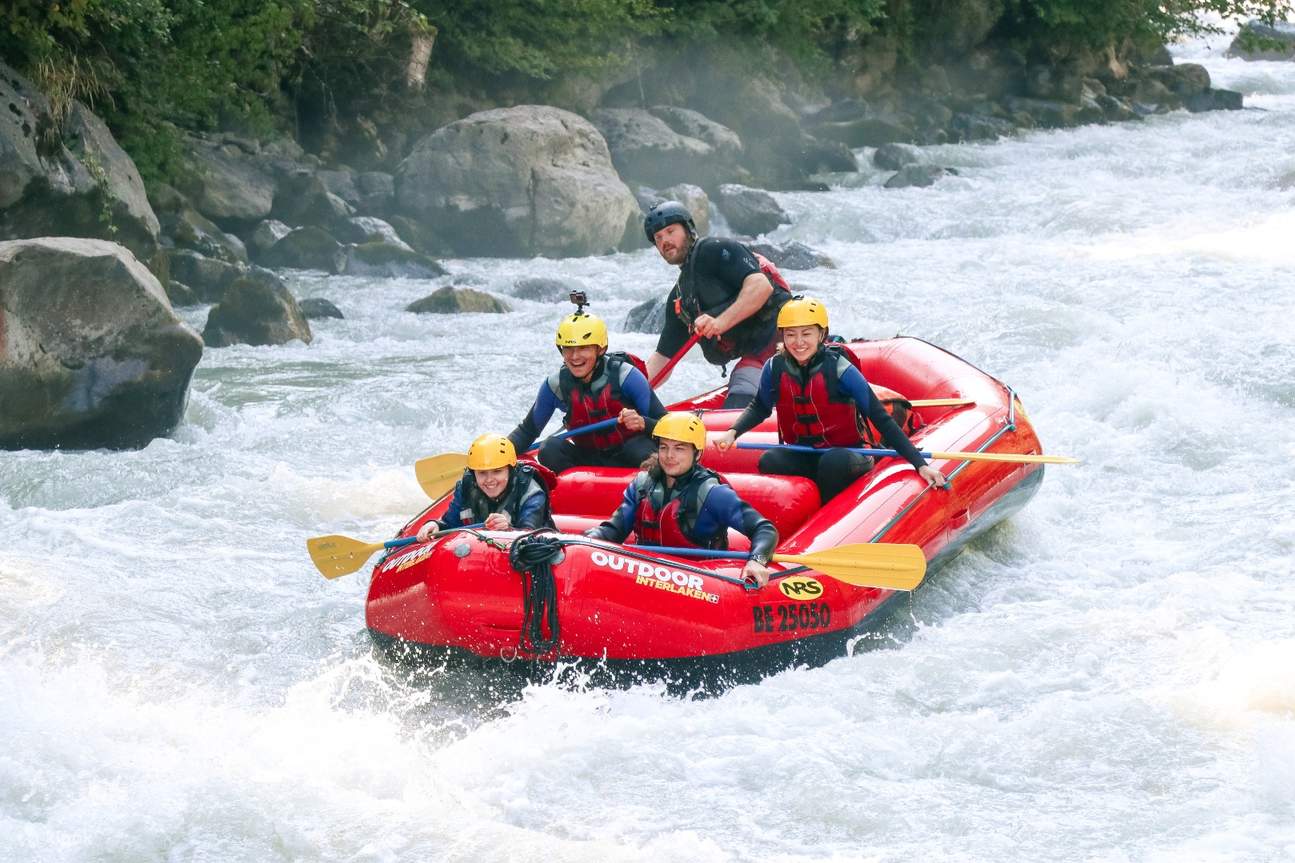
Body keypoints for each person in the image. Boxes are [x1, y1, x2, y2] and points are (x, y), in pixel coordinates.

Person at [710, 297, 948, 502]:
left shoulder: (840, 369)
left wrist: (920, 464)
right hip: (803, 452)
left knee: (833, 463)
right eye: (791, 334)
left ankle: (830, 515)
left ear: (821, 334)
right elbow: (760, 407)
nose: (798, 342)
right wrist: (733, 432)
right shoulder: (775, 367)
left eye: (806, 333)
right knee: (771, 460)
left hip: (848, 453)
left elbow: (881, 418)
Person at [585, 412, 778, 587]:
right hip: (645, 578)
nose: (669, 456)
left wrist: (757, 560)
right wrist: (585, 541)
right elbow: (614, 530)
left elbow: (764, 529)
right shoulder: (642, 485)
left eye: (679, 449)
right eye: (664, 447)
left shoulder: (712, 493)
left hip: (698, 586)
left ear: (697, 454)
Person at [642, 200, 792, 409]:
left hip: (786, 342)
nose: (665, 241)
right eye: (658, 238)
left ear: (688, 229)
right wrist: (628, 393)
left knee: (743, 381)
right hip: (758, 356)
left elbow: (761, 286)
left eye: (670, 231)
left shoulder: (715, 250)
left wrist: (720, 322)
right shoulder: (681, 299)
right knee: (744, 376)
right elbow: (662, 360)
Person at [508, 310, 666, 474]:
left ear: (601, 349)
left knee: (640, 449)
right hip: (588, 459)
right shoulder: (555, 385)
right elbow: (527, 431)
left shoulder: (626, 376)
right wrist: (497, 454)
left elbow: (668, 425)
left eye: (583, 348)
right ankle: (577, 491)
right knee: (549, 448)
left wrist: (643, 422)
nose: (575, 357)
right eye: (568, 349)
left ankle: (646, 487)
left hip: (631, 455)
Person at [415, 433, 553, 540]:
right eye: (482, 473)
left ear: (510, 470)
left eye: (497, 471)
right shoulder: (467, 486)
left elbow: (530, 534)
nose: (489, 480)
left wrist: (509, 530)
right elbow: (450, 523)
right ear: (473, 473)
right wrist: (436, 525)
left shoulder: (530, 491)